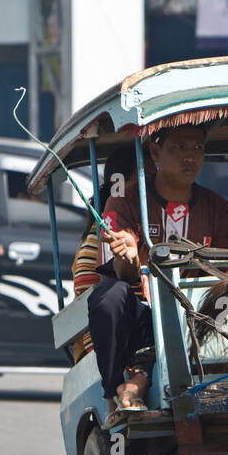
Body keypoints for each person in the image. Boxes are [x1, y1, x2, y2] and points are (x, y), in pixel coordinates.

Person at [88, 124, 228, 424]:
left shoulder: (219, 209)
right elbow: (122, 274)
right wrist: (131, 255)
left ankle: (140, 381)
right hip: (140, 319)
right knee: (107, 297)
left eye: (197, 148)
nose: (190, 157)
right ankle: (112, 394)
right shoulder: (123, 202)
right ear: (156, 151)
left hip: (197, 319)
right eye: (178, 147)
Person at [67, 145, 151, 362]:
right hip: (109, 347)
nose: (154, 190)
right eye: (147, 180)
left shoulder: (146, 231)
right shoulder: (105, 238)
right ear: (121, 187)